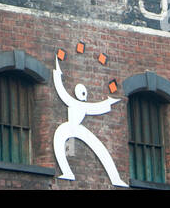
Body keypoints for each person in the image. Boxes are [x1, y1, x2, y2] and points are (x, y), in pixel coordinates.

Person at [52, 57, 128, 187]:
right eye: (82, 93)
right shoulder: (73, 102)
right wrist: (57, 73)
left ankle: (116, 178)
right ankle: (67, 172)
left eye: (84, 93)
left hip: (76, 128)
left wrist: (110, 102)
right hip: (69, 127)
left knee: (100, 149)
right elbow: (61, 90)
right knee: (62, 146)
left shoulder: (78, 104)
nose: (84, 95)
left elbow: (95, 107)